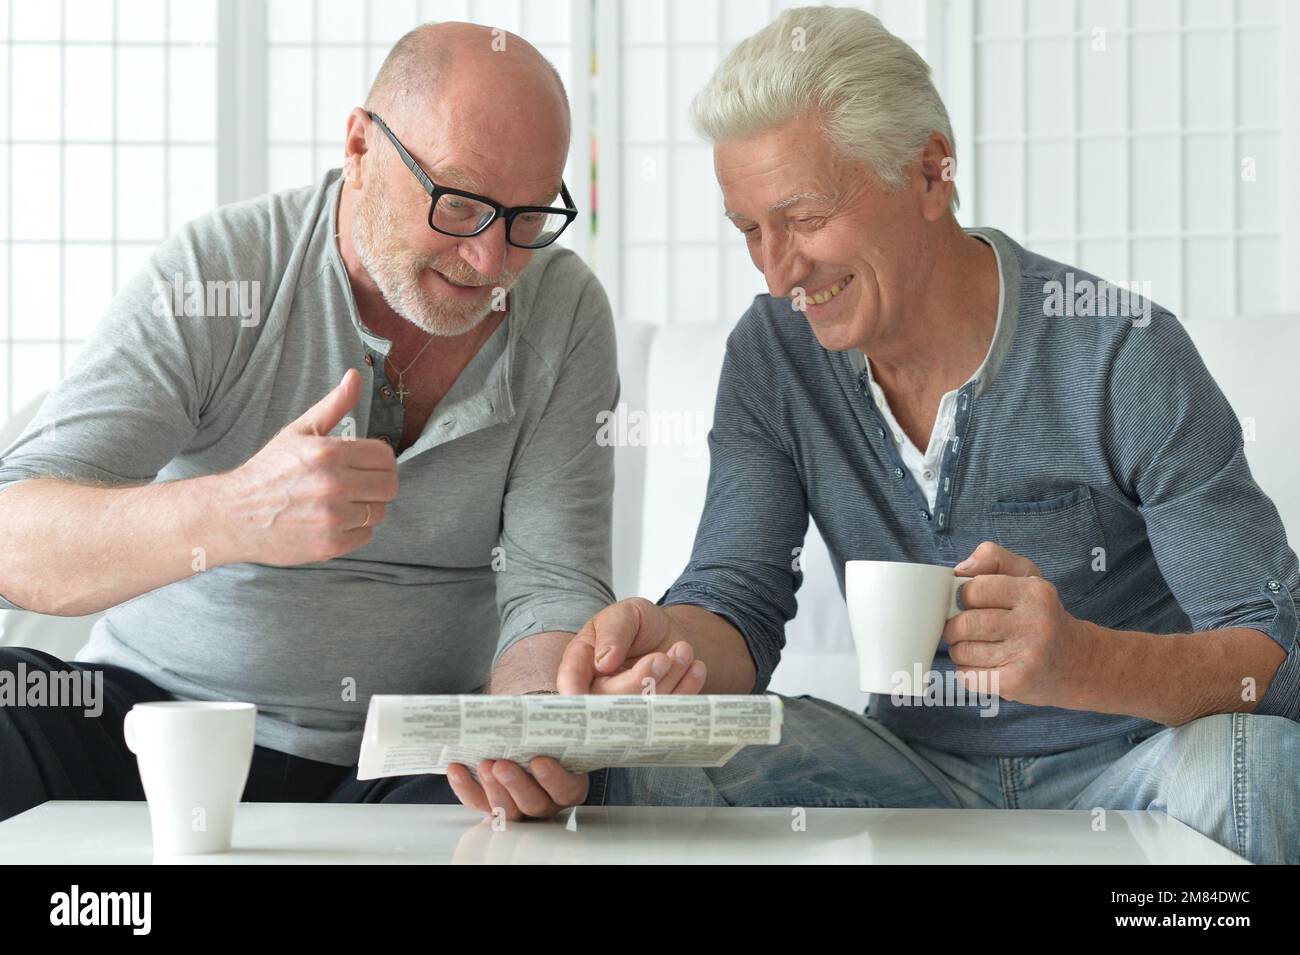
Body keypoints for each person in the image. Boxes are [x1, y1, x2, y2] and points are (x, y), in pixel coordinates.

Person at [462, 6, 1300, 865]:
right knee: (634, 765)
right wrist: (665, 655)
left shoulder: (1120, 350)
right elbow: (739, 601)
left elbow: (1276, 659)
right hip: (907, 769)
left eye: (805, 217)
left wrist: (1080, 661)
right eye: (750, 230)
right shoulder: (774, 355)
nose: (778, 270)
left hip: (1127, 765)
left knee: (1258, 762)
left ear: (932, 172)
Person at [0, 22, 686, 820]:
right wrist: (236, 512)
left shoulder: (563, 313)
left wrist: (527, 720)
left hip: (418, 753)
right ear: (361, 148)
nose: (495, 263)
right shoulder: (222, 272)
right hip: (155, 718)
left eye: (528, 217)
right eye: (460, 204)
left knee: (574, 800)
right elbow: (16, 537)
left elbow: (550, 591)